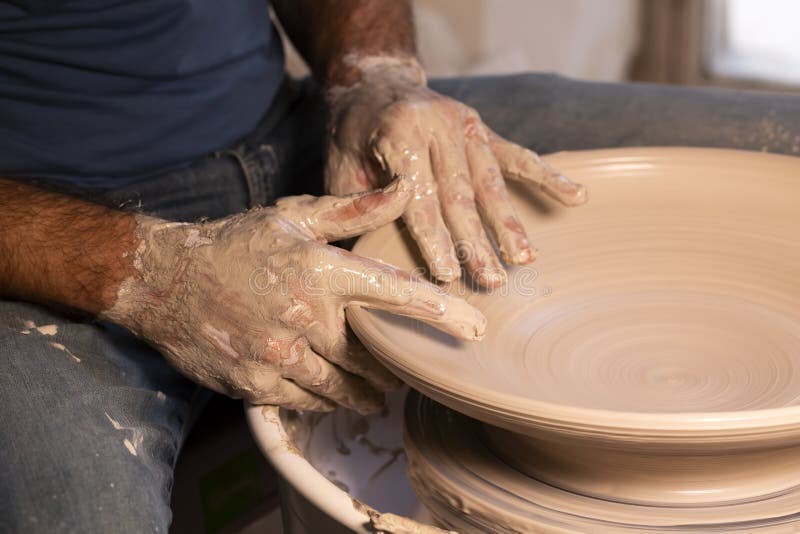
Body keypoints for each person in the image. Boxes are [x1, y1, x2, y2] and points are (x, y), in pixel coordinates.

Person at [2, 1, 800, 531]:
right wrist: (146, 272)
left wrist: (370, 72)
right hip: (46, 230)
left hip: (284, 121)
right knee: (79, 509)